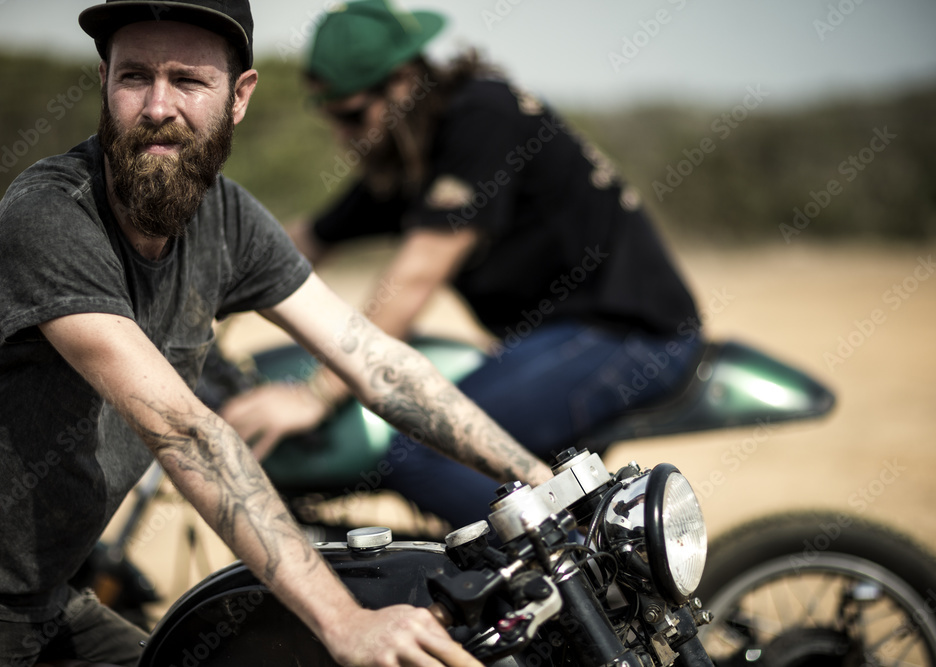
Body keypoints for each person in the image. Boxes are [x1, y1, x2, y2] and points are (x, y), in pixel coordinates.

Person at [0, 1, 553, 665]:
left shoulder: (225, 218)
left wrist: (544, 484)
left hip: (46, 598)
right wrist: (344, 621)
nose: (157, 107)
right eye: (134, 77)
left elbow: (375, 361)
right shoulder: (50, 217)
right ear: (104, 83)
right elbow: (182, 430)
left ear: (240, 96)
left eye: (189, 81)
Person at [220, 0, 705, 529]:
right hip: (557, 341)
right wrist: (197, 304)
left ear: (404, 83)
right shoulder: (411, 152)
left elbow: (415, 277)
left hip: (629, 336)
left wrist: (316, 394)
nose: (343, 137)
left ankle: (576, 583)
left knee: (421, 447)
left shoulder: (481, 117)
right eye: (331, 118)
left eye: (352, 115)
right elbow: (298, 244)